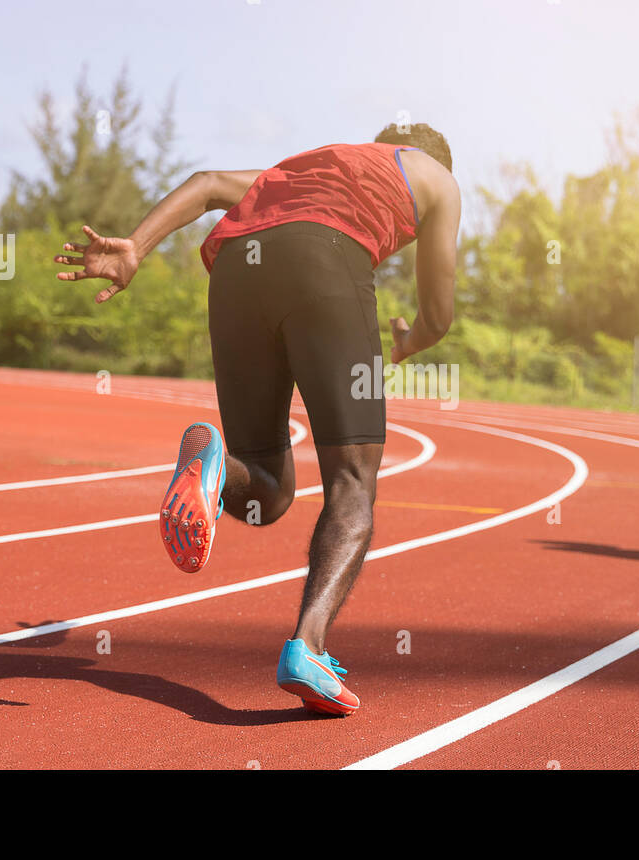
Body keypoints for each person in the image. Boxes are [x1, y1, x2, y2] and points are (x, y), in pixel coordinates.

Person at [53, 123, 461, 715]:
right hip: (325, 261)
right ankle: (309, 648)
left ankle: (217, 465)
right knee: (353, 481)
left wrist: (136, 246)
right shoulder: (436, 175)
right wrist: (408, 339)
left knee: (265, 493)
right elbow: (439, 311)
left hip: (236, 273)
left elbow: (209, 183)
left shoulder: (313, 165)